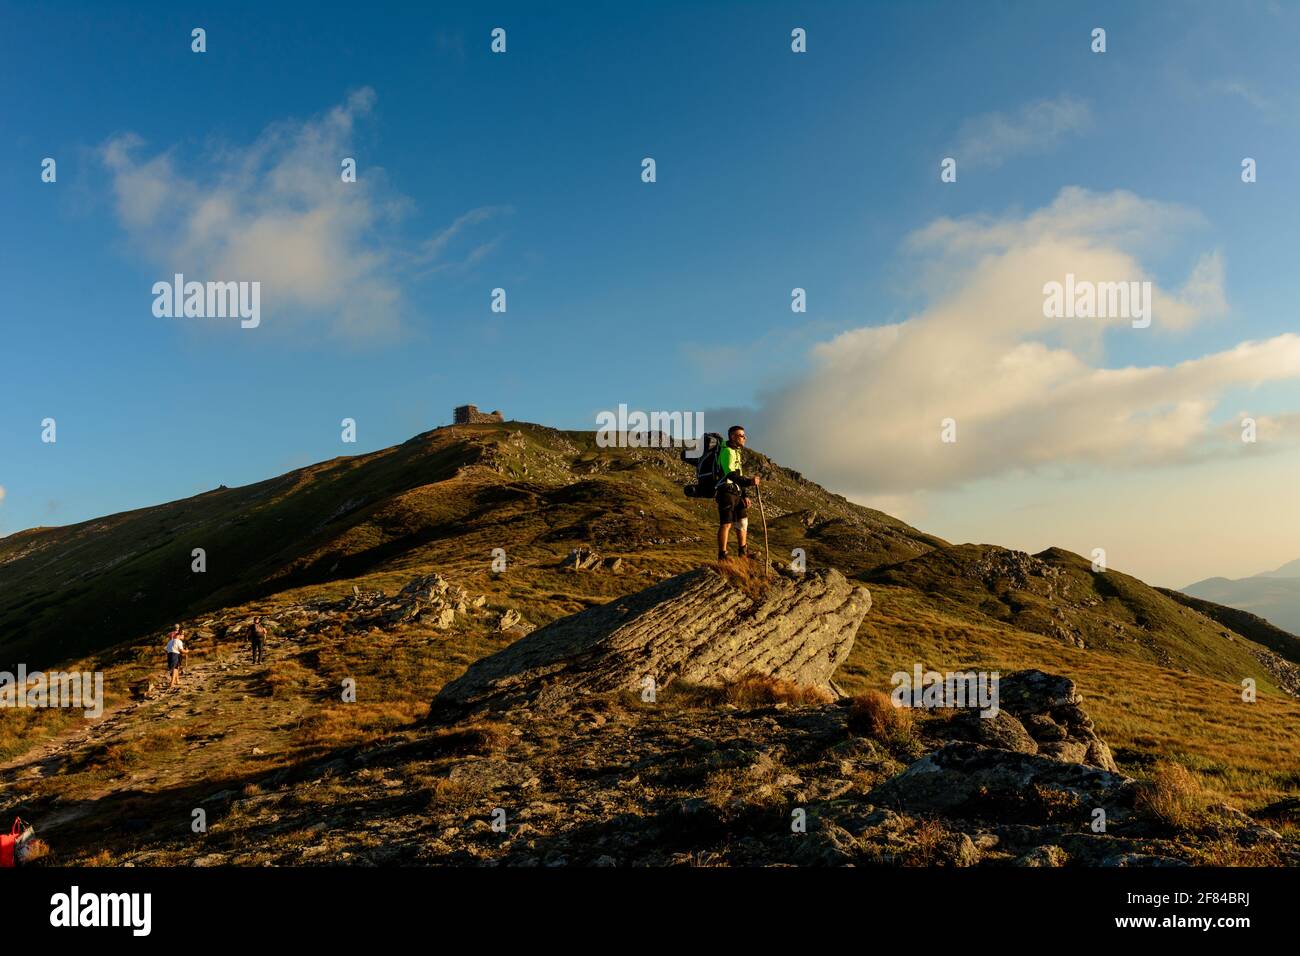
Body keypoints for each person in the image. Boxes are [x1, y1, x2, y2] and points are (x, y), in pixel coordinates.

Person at [716, 424, 760, 561]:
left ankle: (743, 553)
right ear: (733, 437)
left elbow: (739, 474)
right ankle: (722, 555)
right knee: (726, 523)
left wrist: (745, 494)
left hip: (737, 492)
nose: (744, 438)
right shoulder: (727, 451)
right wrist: (749, 482)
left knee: (742, 522)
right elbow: (730, 475)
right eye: (741, 435)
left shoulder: (737, 452)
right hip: (726, 491)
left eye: (744, 435)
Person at [165, 625, 187, 689]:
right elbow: (181, 650)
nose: (183, 636)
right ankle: (172, 683)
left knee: (176, 667)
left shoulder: (171, 638)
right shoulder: (177, 637)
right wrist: (186, 651)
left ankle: (176, 680)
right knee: (175, 668)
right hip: (175, 652)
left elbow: (166, 648)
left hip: (171, 652)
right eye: (183, 635)